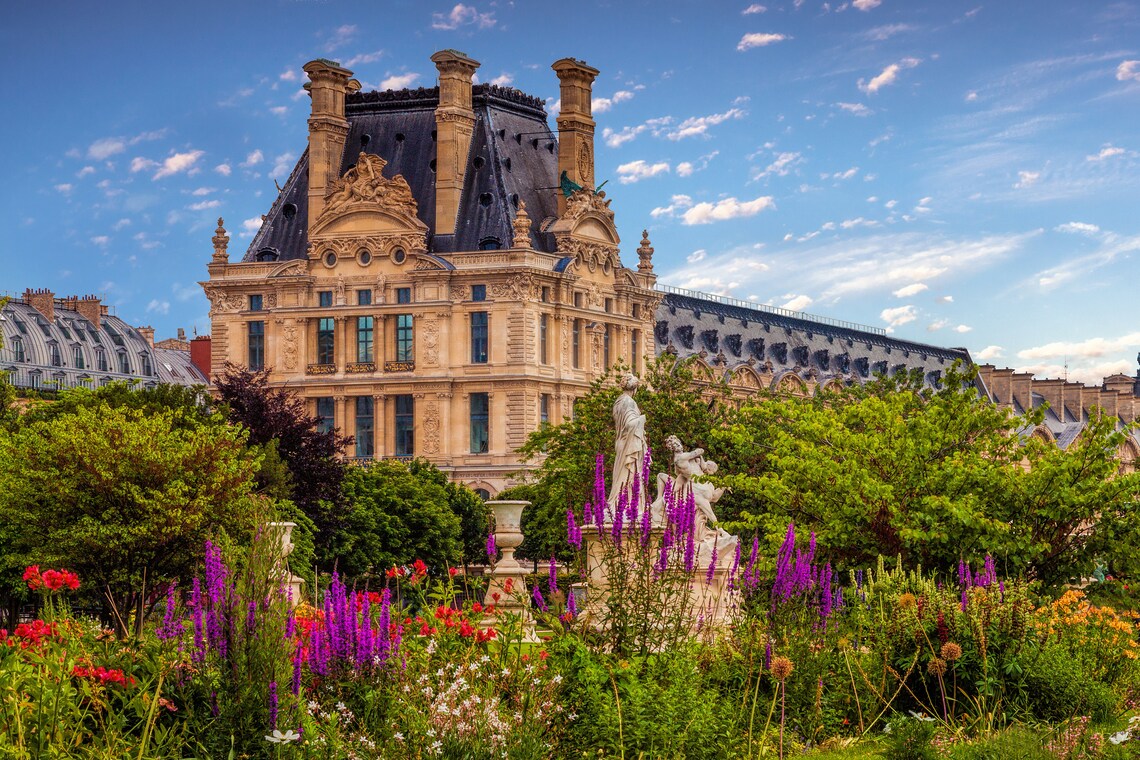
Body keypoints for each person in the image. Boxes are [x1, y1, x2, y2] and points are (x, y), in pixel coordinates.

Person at [609, 374, 647, 509]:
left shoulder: (618, 401)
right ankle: (627, 505)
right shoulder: (629, 402)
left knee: (620, 477)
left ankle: (619, 504)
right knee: (628, 475)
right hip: (629, 445)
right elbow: (630, 425)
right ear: (635, 389)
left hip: (621, 442)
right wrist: (642, 419)